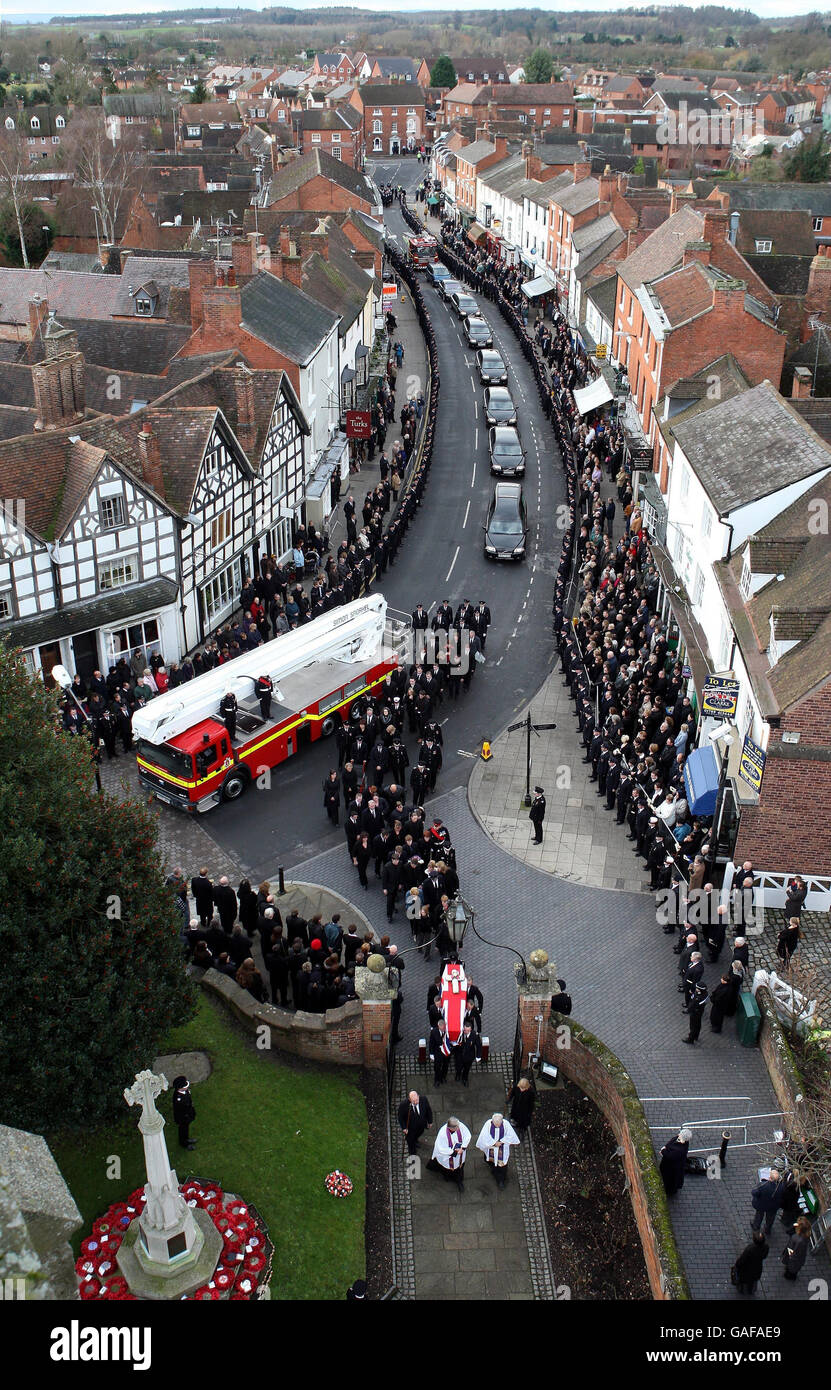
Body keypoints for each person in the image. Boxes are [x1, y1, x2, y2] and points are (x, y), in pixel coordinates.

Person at [476, 1112, 520, 1189]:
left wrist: (502, 1141)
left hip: (502, 1150)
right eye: (495, 1124)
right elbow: (484, 1136)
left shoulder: (506, 1124)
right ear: (492, 1121)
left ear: (501, 1121)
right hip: (491, 1149)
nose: (497, 1126)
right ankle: (493, 1169)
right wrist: (494, 1143)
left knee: (502, 1167)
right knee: (491, 1162)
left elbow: (510, 1135)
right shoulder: (488, 1124)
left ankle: (501, 1180)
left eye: (498, 1125)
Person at [429, 1116, 471, 1190]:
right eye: (457, 1127)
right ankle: (448, 1178)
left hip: (459, 1155)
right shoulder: (442, 1134)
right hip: (448, 1157)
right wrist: (454, 1152)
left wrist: (463, 1147)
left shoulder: (459, 1125)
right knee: (447, 1170)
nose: (459, 1127)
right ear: (451, 1128)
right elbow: (441, 1148)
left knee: (459, 1169)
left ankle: (459, 1181)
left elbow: (467, 1135)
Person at [397, 1090, 434, 1156]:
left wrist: (430, 1121)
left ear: (418, 1096)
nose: (416, 1102)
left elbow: (428, 1110)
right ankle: (412, 1153)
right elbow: (400, 1117)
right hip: (410, 1128)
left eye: (417, 1100)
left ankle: (415, 1140)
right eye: (413, 1101)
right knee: (410, 1142)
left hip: (421, 1125)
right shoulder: (404, 1105)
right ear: (409, 1099)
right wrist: (404, 1128)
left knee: (419, 1133)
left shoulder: (424, 1099)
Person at [733, 1231, 769, 1295]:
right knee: (754, 1280)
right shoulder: (766, 1247)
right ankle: (752, 1290)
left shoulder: (750, 1249)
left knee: (745, 1280)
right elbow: (764, 1256)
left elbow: (742, 1260)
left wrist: (737, 1265)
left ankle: (743, 1290)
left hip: (747, 1269)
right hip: (757, 1268)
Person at [659, 1128, 691, 1196]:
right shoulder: (679, 1140)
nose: (678, 1134)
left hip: (672, 1167)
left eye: (680, 1134)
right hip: (671, 1164)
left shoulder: (680, 1150)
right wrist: (665, 1147)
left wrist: (663, 1151)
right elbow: (671, 1142)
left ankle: (669, 1191)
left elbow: (670, 1156)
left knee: (669, 1179)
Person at [781, 1216, 812, 1281]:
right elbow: (789, 1231)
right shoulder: (804, 1235)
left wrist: (789, 1253)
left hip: (793, 1260)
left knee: (791, 1271)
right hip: (795, 1258)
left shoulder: (800, 1241)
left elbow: (795, 1254)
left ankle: (790, 1277)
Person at [172, 1075, 196, 1151]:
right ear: (180, 1088)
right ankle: (184, 1143)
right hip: (183, 1118)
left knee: (186, 1129)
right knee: (182, 1130)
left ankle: (187, 1139)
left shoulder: (185, 1091)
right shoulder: (178, 1099)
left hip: (187, 1115)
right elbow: (181, 1110)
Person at [454, 1021, 481, 1086]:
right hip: (459, 1055)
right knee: (458, 1067)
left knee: (466, 1069)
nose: (465, 1032)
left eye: (467, 1031)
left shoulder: (474, 1035)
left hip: (469, 1056)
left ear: (470, 1029)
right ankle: (458, 1075)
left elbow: (478, 1046)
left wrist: (478, 1056)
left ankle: (465, 1079)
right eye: (465, 1030)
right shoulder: (460, 1033)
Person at [429, 1016, 452, 1086]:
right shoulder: (434, 1032)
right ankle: (437, 1080)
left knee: (445, 1066)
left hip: (446, 1052)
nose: (443, 1029)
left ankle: (443, 1077)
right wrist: (431, 1053)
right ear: (438, 1026)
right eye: (442, 1027)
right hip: (438, 1052)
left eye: (444, 1027)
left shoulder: (447, 1031)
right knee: (437, 1067)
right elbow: (431, 1043)